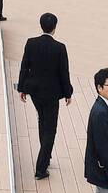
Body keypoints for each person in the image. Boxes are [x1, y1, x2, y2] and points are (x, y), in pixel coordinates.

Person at [17, 12, 74, 179]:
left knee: (42, 121)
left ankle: (45, 154)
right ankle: (41, 167)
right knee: (50, 129)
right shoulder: (60, 48)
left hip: (35, 92)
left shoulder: (31, 43)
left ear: (41, 26)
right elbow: (64, 73)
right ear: (54, 28)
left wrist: (22, 88)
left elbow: (24, 66)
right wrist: (68, 92)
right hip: (51, 94)